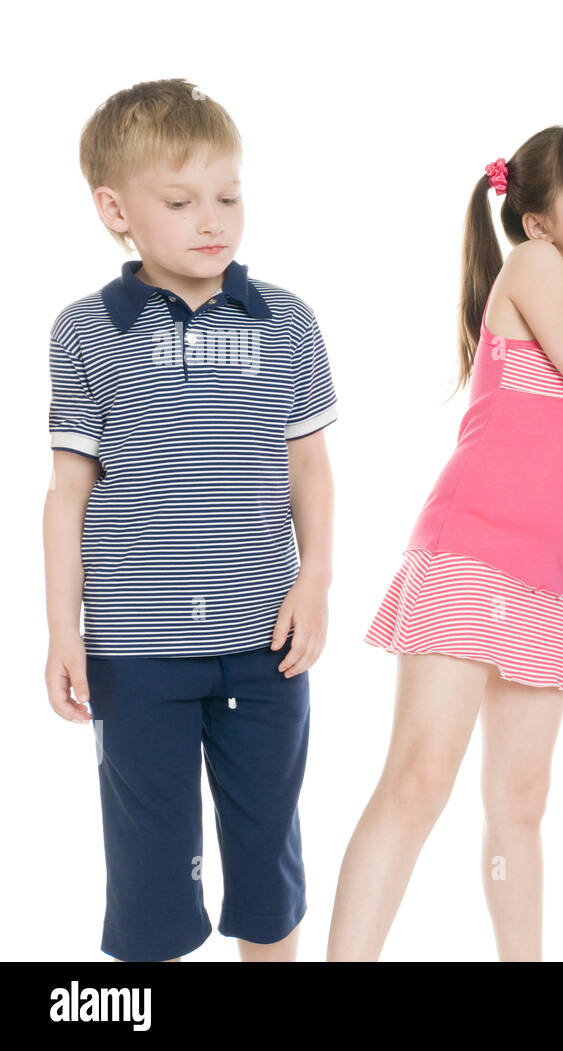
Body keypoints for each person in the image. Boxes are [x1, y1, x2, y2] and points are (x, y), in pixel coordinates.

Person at [327, 117, 563, 961]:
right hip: (468, 557)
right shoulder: (538, 266)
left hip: (539, 583)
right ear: (538, 220)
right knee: (417, 780)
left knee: (520, 801)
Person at [43, 78, 338, 962]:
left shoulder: (286, 321)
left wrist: (315, 576)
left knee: (267, 863)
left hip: (264, 641)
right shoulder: (83, 331)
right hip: (134, 651)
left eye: (228, 194)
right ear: (115, 209)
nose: (213, 219)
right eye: (180, 201)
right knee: (150, 877)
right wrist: (64, 632)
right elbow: (69, 494)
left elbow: (310, 468)